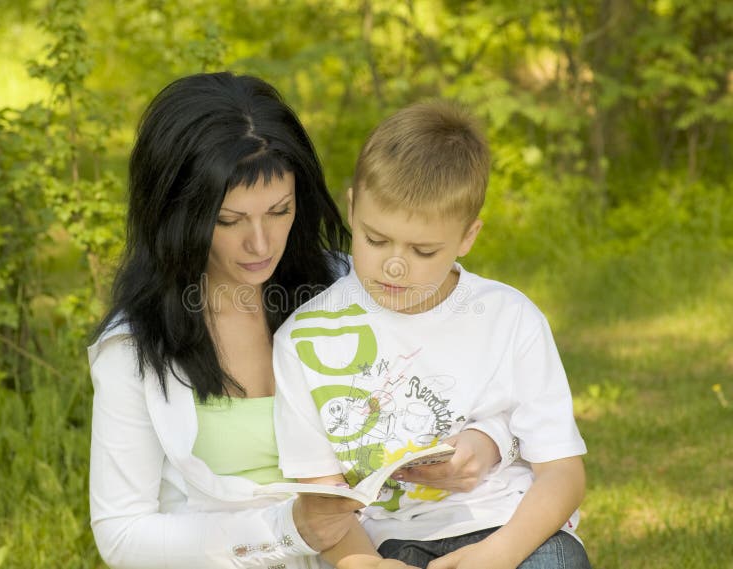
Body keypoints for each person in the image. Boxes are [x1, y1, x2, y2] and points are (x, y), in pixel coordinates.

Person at [88, 72, 501, 569]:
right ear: (175, 215)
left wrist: (490, 442)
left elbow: (485, 369)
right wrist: (289, 531)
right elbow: (121, 534)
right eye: (228, 220)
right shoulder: (135, 347)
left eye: (279, 211)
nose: (260, 244)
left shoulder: (354, 284)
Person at [272, 100, 592, 569]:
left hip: (506, 525)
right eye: (375, 239)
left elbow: (562, 472)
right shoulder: (304, 338)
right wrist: (368, 565)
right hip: (385, 544)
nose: (394, 266)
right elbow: (322, 505)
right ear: (352, 207)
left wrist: (499, 554)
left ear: (467, 237)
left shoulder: (510, 318)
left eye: (423, 251)